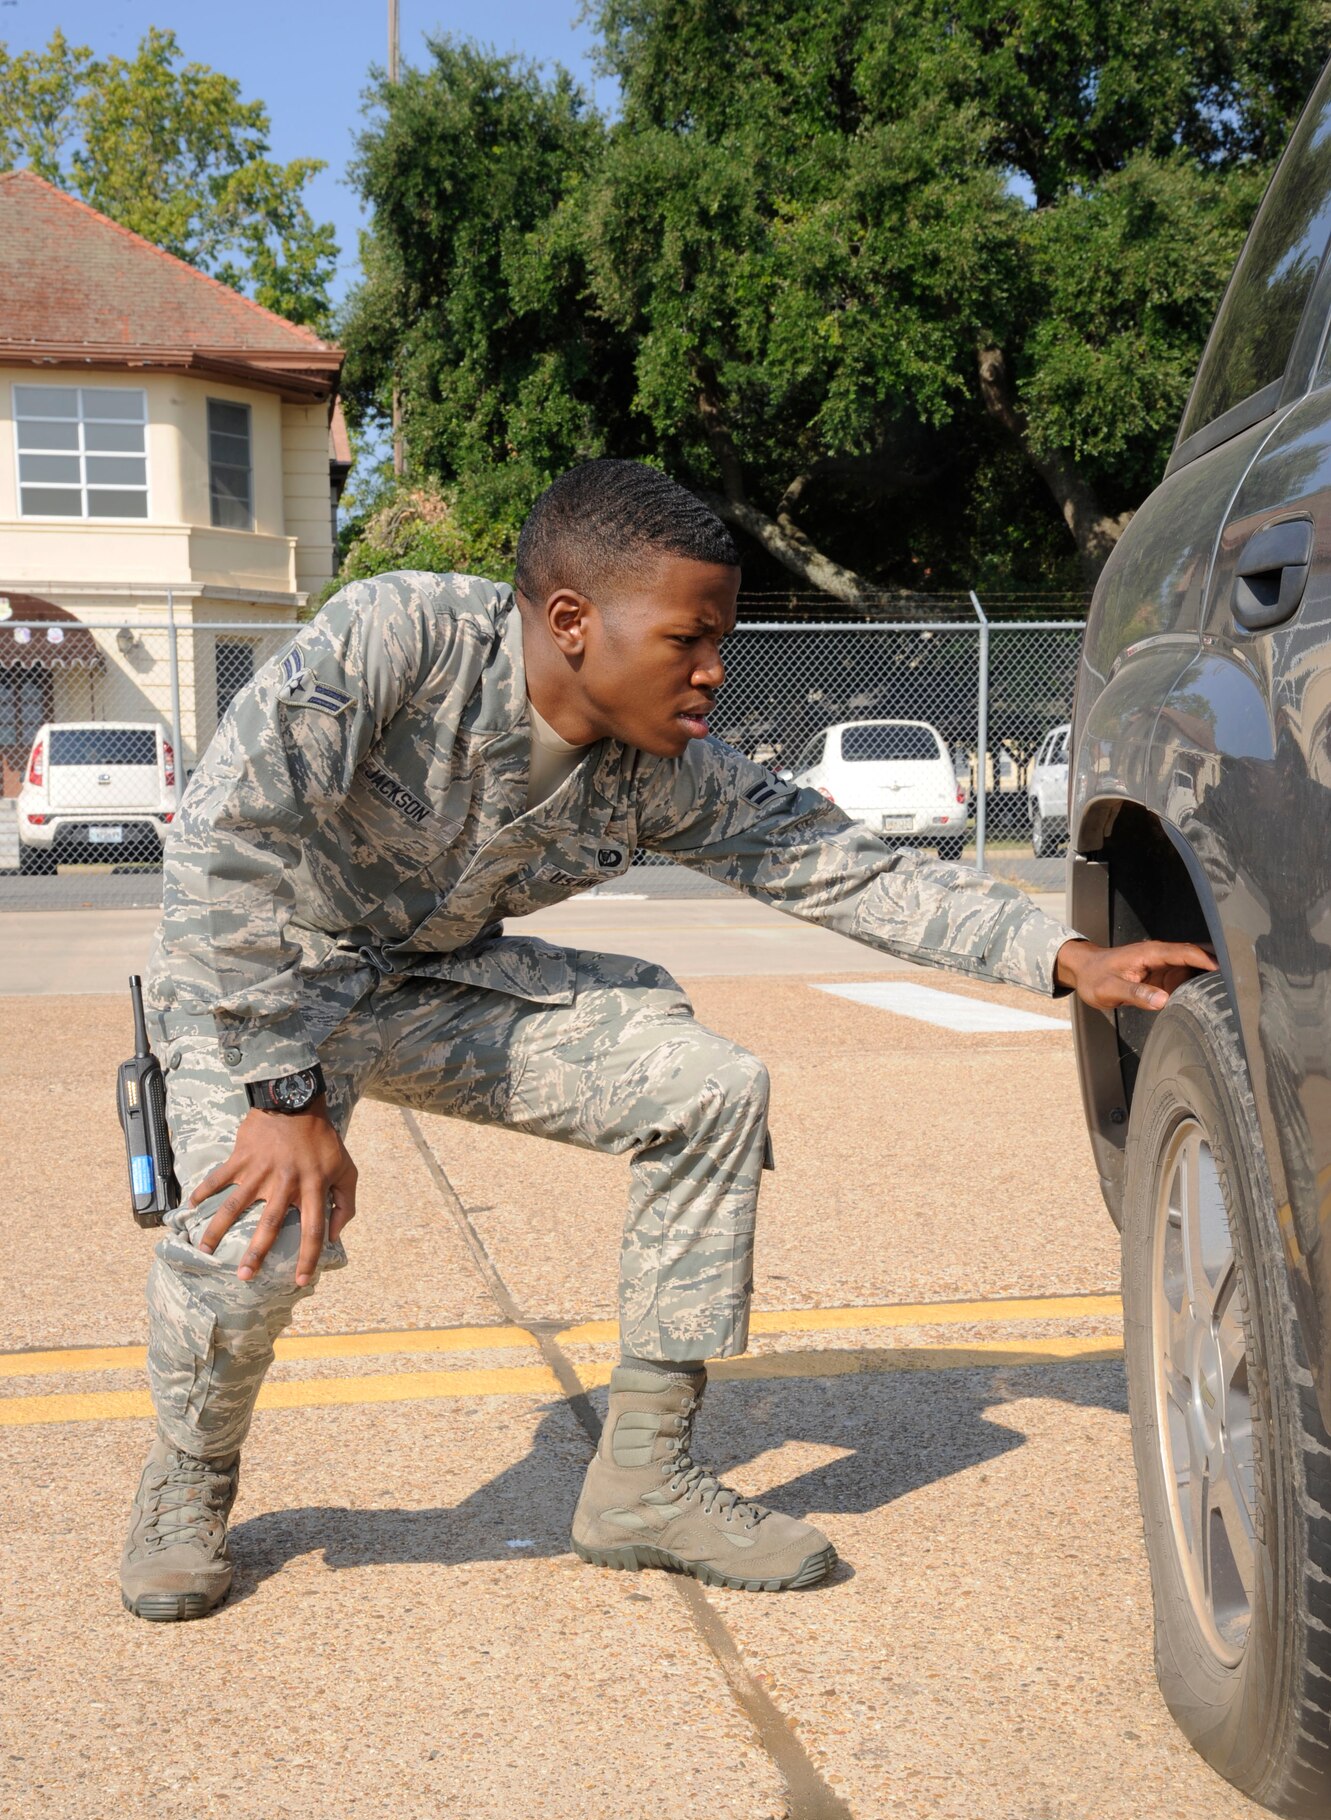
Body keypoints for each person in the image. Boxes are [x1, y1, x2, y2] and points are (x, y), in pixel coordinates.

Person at [119, 459, 1215, 1620]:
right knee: (246, 1236)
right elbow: (227, 835)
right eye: (689, 637)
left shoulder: (661, 766)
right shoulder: (404, 637)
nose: (712, 670)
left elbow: (838, 866)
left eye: (721, 637)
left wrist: (1061, 958)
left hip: (426, 984)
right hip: (261, 989)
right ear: (572, 622)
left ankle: (641, 1478)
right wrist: (281, 1092)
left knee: (707, 1088)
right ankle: (189, 1471)